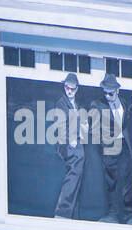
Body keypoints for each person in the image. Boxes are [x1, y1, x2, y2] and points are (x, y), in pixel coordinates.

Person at [91, 72, 132, 224]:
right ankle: (113, 214)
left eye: (110, 93)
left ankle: (131, 214)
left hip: (124, 145)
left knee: (128, 180)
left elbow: (124, 122)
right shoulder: (97, 105)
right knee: (111, 181)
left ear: (117, 91)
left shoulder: (123, 103)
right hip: (109, 148)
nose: (107, 96)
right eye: (105, 93)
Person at [52, 73, 88, 219]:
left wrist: (83, 129)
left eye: (72, 89)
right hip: (67, 144)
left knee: (77, 176)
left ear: (77, 89)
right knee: (74, 173)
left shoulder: (78, 106)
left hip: (78, 141)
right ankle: (62, 212)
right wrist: (69, 141)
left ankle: (72, 215)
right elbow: (60, 126)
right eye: (67, 87)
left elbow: (83, 125)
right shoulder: (61, 103)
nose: (69, 91)